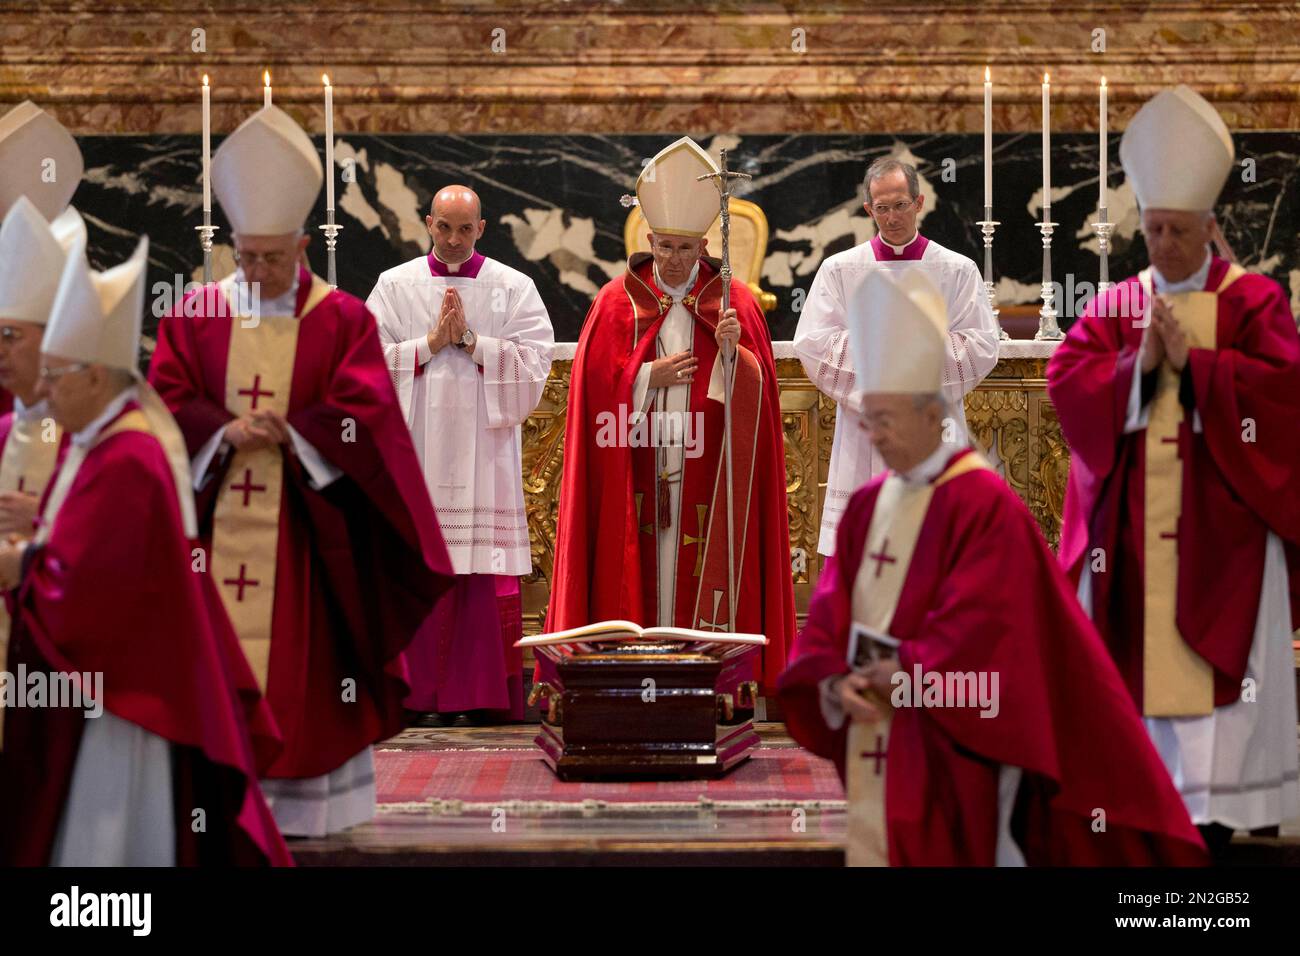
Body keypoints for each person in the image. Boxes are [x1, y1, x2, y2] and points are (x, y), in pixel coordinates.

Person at [778, 268, 1207, 866]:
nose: (874, 433)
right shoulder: (868, 508)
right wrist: (830, 679)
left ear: (934, 414)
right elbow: (827, 620)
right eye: (867, 417)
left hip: (959, 750)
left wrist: (901, 674)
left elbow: (987, 637)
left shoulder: (983, 504)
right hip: (878, 741)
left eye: (888, 417)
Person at [148, 104, 454, 836]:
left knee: (308, 671)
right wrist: (222, 431)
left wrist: (297, 433)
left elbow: (367, 413)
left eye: (271, 260)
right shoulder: (195, 314)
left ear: (301, 245)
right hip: (214, 529)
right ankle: (213, 804)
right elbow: (165, 397)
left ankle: (304, 813)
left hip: (305, 534)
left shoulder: (341, 318)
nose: (255, 273)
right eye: (244, 258)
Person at [1047, 85, 1300, 857]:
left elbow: (1284, 399)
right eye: (1153, 228)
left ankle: (1215, 824)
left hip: (1224, 545)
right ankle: (1148, 812)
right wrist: (1137, 367)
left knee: (1220, 696)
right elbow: (1068, 381)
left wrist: (1201, 370)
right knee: (1137, 677)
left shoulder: (1253, 300)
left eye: (1178, 230)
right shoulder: (1120, 304)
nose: (1162, 244)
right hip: (1133, 543)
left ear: (1211, 228)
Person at [0, 235, 290, 866]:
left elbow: (98, 591)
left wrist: (21, 564)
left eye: (55, 375)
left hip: (127, 699)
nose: (44, 392)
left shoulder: (129, 455)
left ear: (96, 375)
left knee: (108, 840)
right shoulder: (97, 441)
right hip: (109, 689)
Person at [547, 136, 795, 694]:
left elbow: (757, 406)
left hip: (706, 477)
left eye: (684, 249)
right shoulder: (616, 301)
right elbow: (589, 395)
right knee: (639, 570)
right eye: (663, 247)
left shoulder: (736, 303)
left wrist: (735, 356)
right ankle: (630, 676)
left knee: (693, 571)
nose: (673, 260)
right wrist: (641, 380)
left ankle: (706, 682)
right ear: (648, 240)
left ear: (704, 245)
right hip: (634, 472)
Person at [367, 184, 554, 723]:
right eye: (443, 227)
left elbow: (535, 366)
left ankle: (482, 696)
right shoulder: (394, 285)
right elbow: (362, 364)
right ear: (428, 222)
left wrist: (471, 341)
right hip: (417, 452)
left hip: (484, 454)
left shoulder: (512, 288)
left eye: (464, 228)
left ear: (482, 228)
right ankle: (416, 696)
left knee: (480, 571)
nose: (452, 239)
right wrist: (429, 344)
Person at [793, 157, 999, 556]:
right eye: (881, 207)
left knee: (934, 547)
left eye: (900, 205)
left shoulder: (956, 269)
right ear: (868, 209)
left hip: (932, 422)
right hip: (864, 427)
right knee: (868, 551)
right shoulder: (840, 270)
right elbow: (814, 343)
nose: (891, 217)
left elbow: (980, 343)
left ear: (919, 202)